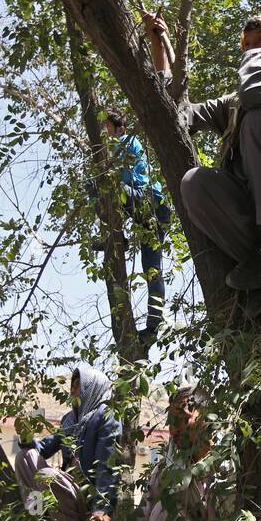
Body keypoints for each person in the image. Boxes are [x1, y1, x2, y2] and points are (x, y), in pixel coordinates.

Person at [149, 11, 261, 292]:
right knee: (194, 181)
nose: (251, 51)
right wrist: (160, 51)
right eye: (248, 45)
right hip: (253, 220)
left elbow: (258, 94)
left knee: (260, 119)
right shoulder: (235, 104)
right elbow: (179, 117)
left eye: (259, 42)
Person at [15, 364, 124, 521]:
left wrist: (101, 509)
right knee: (25, 456)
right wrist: (26, 437)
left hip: (87, 495)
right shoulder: (70, 419)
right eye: (72, 386)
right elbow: (44, 448)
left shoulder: (107, 417)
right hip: (67, 487)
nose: (72, 390)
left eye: (77, 385)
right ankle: (36, 517)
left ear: (92, 387)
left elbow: (107, 467)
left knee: (46, 475)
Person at [135, 386, 235, 521]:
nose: (173, 430)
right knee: (162, 512)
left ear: (207, 417)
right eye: (170, 422)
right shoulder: (166, 473)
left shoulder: (233, 465)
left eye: (181, 419)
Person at [96, 110, 172, 347]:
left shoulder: (128, 143)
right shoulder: (114, 150)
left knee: (152, 270)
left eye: (108, 128)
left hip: (153, 205)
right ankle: (120, 238)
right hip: (141, 209)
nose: (105, 134)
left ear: (120, 129)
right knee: (150, 268)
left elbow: (120, 180)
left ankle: (152, 327)